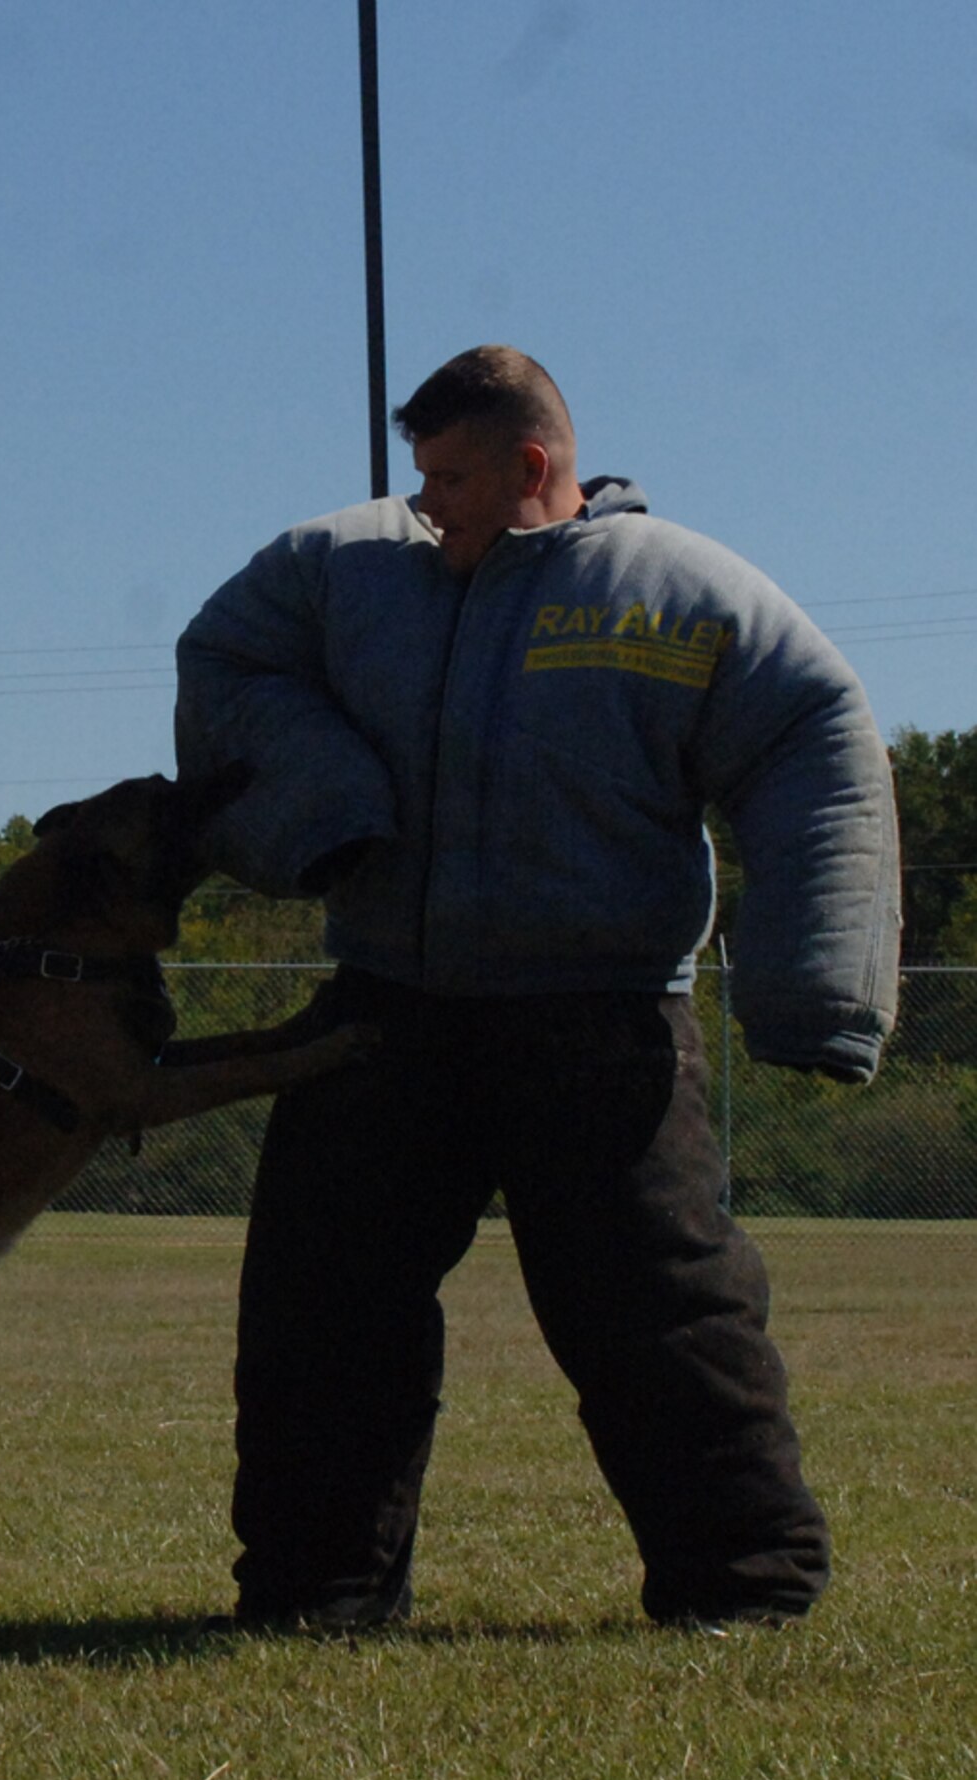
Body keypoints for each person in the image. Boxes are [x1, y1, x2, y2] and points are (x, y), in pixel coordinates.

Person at [174, 346, 900, 1634]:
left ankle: (744, 1590)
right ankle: (315, 1595)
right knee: (319, 1315)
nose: (425, 502)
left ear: (532, 467)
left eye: (449, 476)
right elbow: (229, 661)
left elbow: (815, 738)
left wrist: (815, 991)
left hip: (602, 1014)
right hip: (384, 1005)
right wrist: (324, 804)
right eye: (416, 476)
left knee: (662, 1316)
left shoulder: (675, 593)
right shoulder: (341, 572)